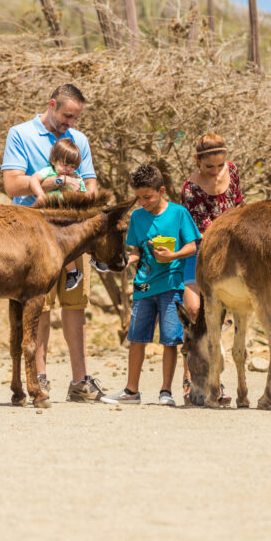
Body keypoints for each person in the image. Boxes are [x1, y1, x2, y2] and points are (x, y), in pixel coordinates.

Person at [1, 83, 104, 402]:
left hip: (71, 235)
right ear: (51, 105)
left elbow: (91, 184)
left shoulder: (79, 140)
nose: (70, 123)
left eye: (75, 118)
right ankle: (39, 378)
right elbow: (12, 185)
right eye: (67, 116)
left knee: (75, 306)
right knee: (38, 306)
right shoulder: (20, 134)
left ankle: (80, 381)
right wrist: (57, 181)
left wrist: (89, 198)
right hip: (32, 235)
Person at [101, 164, 200, 406]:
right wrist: (126, 262)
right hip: (143, 287)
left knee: (170, 340)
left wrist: (172, 256)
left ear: (162, 190)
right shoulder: (137, 216)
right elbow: (136, 250)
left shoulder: (178, 214)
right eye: (139, 197)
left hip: (171, 285)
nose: (143, 202)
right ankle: (131, 391)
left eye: (148, 197)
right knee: (136, 338)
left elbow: (193, 246)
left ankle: (166, 391)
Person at [179, 133, 243, 403]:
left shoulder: (233, 172)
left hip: (229, 254)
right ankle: (188, 379)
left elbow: (239, 205)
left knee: (215, 318)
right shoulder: (190, 189)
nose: (217, 172)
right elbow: (203, 230)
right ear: (197, 161)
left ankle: (216, 379)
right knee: (194, 312)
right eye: (210, 167)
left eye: (221, 165)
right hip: (200, 253)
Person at [28, 137, 89, 291]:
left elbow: (83, 199)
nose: (68, 169)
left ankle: (73, 272)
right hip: (49, 217)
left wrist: (78, 192)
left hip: (66, 219)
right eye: (65, 164)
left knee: (66, 244)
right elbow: (34, 180)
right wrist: (40, 194)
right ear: (54, 160)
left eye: (73, 166)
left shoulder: (76, 179)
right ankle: (72, 272)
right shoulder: (49, 172)